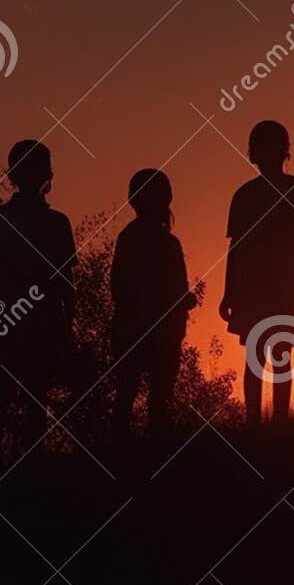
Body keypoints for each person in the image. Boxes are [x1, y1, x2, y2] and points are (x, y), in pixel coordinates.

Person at [220, 121, 294, 423]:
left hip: (286, 288)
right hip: (261, 289)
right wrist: (229, 291)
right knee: (263, 356)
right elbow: (236, 247)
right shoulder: (250, 195)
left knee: (277, 355)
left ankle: (273, 421)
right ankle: (258, 420)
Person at [0, 139, 77, 470]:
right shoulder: (55, 223)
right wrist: (69, 325)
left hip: (7, 317)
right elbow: (65, 281)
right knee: (30, 392)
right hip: (36, 319)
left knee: (5, 391)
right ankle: (26, 461)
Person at [110, 168, 194, 442]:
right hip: (158, 334)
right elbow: (178, 291)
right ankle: (154, 458)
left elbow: (118, 288)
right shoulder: (168, 244)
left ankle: (121, 457)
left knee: (127, 397)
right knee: (157, 401)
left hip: (132, 332)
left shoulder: (129, 239)